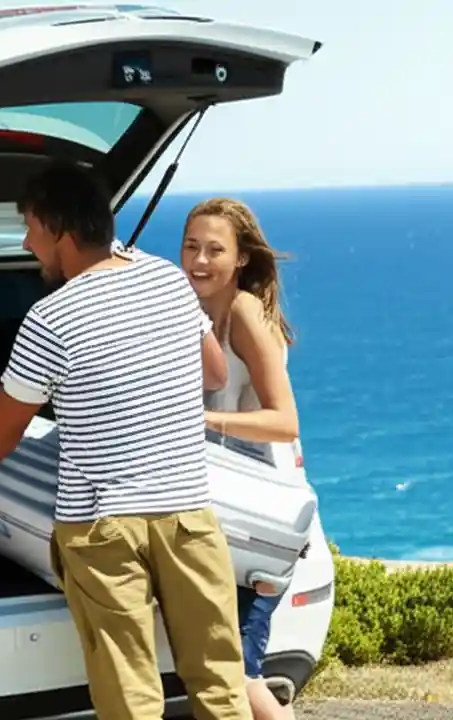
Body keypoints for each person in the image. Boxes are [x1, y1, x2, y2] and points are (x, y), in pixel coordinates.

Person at [0, 160, 252, 720]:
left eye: (30, 228)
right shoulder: (167, 280)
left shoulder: (50, 320)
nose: (26, 244)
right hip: (188, 516)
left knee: (131, 700)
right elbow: (214, 373)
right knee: (221, 687)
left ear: (60, 230)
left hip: (104, 530)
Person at [181, 197, 302, 720]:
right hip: (227, 511)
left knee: (237, 674)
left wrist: (203, 421)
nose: (198, 261)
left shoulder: (245, 313)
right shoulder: (198, 312)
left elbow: (285, 421)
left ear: (242, 258)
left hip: (262, 517)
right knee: (233, 669)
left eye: (214, 250)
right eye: (190, 246)